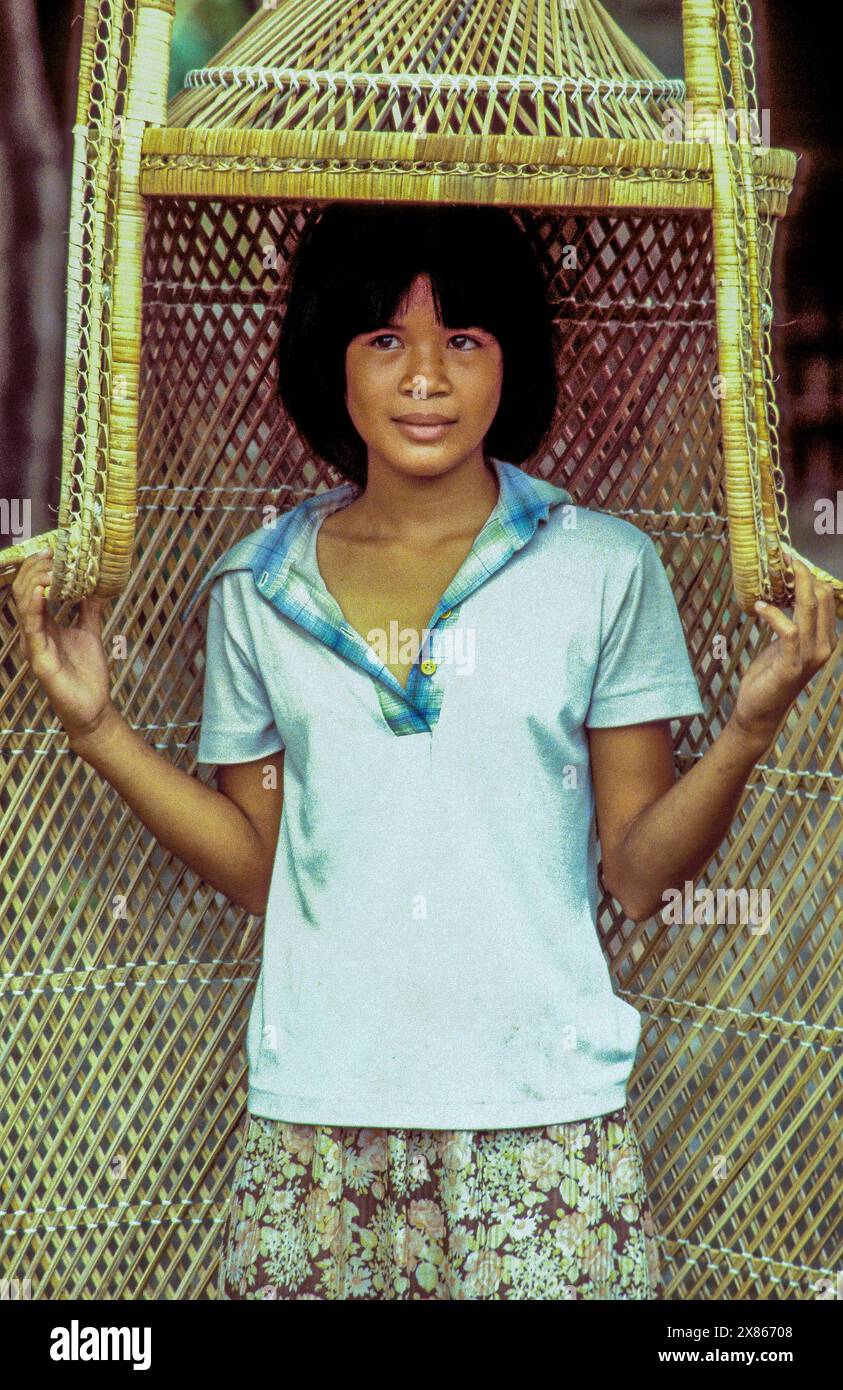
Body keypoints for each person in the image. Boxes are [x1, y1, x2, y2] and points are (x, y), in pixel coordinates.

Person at [12, 205, 838, 1301]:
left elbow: (639, 877)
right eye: (385, 341)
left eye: (464, 340)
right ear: (332, 360)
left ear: (512, 362)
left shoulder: (603, 569)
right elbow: (263, 866)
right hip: (312, 1127)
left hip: (543, 1128)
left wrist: (749, 725)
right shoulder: (255, 587)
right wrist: (96, 730)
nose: (425, 380)